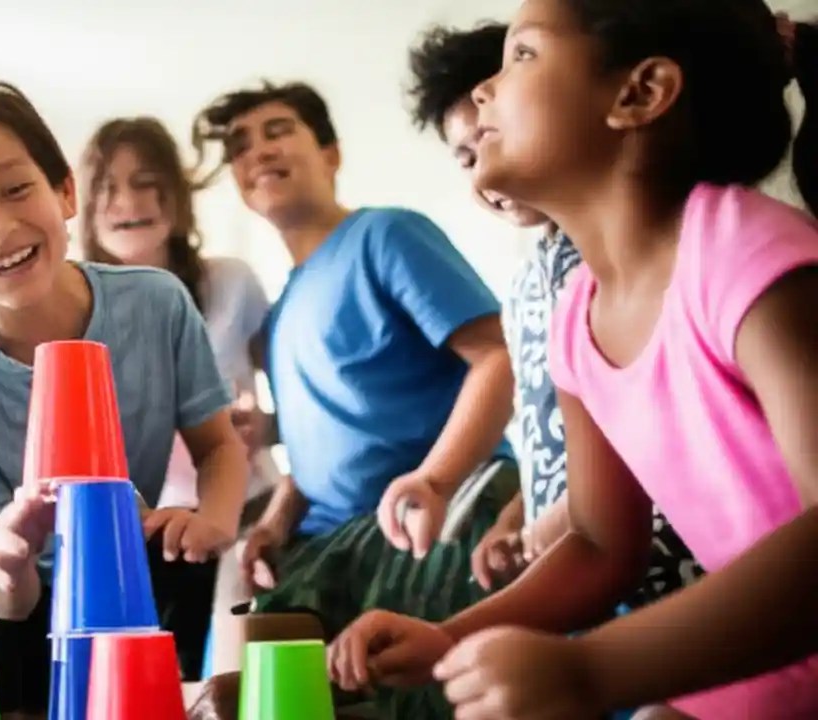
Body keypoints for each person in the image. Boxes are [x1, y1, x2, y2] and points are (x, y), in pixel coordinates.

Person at [329, 1, 818, 717]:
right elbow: (596, 542)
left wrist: (587, 671)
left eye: (522, 55)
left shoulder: (749, 257)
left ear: (640, 94)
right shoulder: (575, 317)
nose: (485, 90)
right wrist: (448, 638)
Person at [0, 74, 248, 719]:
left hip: (134, 568)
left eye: (17, 188)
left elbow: (218, 445)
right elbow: (1, 593)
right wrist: (10, 552)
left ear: (65, 191)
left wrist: (213, 518)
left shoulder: (157, 302)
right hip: (23, 603)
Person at [190, 80, 517, 716]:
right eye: (240, 146)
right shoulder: (280, 317)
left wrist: (436, 480)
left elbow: (498, 356)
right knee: (246, 700)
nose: (257, 151)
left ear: (331, 153)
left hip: (433, 524)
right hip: (328, 545)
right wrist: (271, 524)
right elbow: (314, 457)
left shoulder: (385, 236)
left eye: (278, 130)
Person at [405, 21, 701, 600]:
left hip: (683, 576)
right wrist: (518, 516)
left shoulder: (632, 255)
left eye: (490, 136)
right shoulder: (528, 283)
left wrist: (562, 523)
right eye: (465, 158)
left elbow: (656, 432)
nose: (482, 168)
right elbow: (561, 439)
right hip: (594, 571)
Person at [78, 116, 280, 516]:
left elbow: (300, 399)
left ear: (176, 194)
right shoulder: (72, 317)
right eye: (107, 187)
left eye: (145, 181)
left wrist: (266, 426)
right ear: (83, 204)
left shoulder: (232, 282)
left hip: (252, 510)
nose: (129, 201)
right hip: (144, 527)